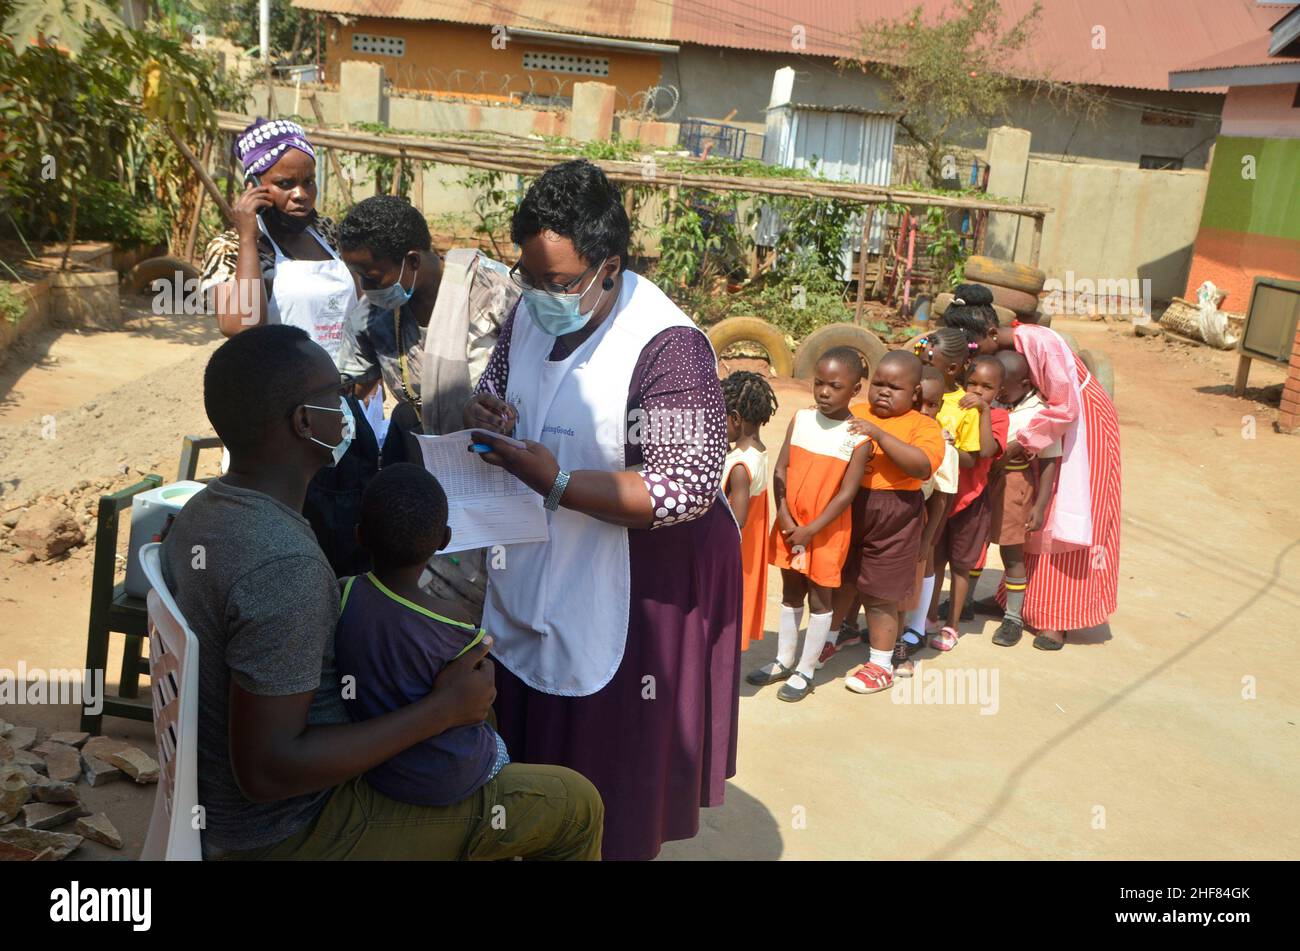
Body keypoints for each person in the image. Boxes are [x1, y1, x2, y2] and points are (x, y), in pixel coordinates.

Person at [159, 324, 603, 860]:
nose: (347, 405)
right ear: (304, 422)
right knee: (575, 806)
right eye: (334, 396)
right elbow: (269, 772)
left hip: (222, 807)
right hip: (291, 831)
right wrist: (442, 711)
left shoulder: (203, 513)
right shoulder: (283, 564)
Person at [463, 160, 742, 861]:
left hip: (635, 576)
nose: (539, 295)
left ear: (608, 267)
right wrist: (491, 408)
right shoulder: (531, 309)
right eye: (529, 276)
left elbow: (684, 486)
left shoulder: (667, 346)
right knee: (528, 714)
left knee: (609, 761)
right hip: (539, 549)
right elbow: (501, 379)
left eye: (560, 282)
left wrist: (556, 481)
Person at [337, 195, 521, 619]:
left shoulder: (498, 297)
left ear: (412, 261)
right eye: (357, 274)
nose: (364, 287)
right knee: (432, 604)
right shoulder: (373, 318)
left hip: (500, 478)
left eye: (371, 273)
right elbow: (353, 389)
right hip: (428, 476)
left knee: (501, 597)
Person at [940, 283, 1121, 650]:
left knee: (1064, 516)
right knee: (1023, 520)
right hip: (1044, 424)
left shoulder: (1041, 343)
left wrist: (1018, 444)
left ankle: (1058, 618)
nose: (971, 357)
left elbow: (1066, 407)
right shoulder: (1005, 353)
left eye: (973, 347)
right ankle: (1018, 602)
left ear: (991, 333)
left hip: (1081, 423)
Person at [748, 349, 874, 702]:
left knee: (820, 599)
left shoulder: (857, 437)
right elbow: (780, 470)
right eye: (819, 383)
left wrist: (812, 528)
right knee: (790, 593)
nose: (824, 392)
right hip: (790, 525)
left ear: (855, 389)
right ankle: (784, 659)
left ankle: (806, 668)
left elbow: (846, 494)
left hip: (826, 532)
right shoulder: (801, 420)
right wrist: (785, 515)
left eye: (835, 386)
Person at [201, 118, 362, 359]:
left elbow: (361, 306)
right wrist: (247, 239)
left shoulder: (327, 232)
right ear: (252, 186)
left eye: (308, 182)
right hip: (281, 389)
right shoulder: (228, 248)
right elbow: (241, 325)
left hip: (346, 389)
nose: (301, 194)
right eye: (285, 184)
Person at [839, 351, 946, 694]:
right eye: (878, 384)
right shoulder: (854, 413)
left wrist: (880, 436)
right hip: (849, 506)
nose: (883, 392)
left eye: (894, 387)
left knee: (881, 592)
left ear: (915, 393)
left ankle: (881, 664)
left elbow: (922, 466)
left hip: (895, 513)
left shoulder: (924, 426)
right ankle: (830, 636)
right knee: (840, 580)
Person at [929, 355, 1007, 652]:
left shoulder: (998, 417)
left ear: (998, 392)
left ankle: (952, 624)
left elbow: (986, 450)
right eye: (972, 383)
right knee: (935, 560)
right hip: (942, 496)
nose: (976, 391)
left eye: (986, 387)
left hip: (972, 501)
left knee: (961, 566)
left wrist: (984, 411)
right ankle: (928, 615)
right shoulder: (951, 405)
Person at [988, 349, 1061, 647]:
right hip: (982, 480)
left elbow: (1048, 461)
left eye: (1004, 387)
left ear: (1026, 384)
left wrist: (1040, 506)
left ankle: (1013, 618)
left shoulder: (1039, 414)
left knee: (1011, 552)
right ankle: (962, 604)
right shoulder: (992, 399)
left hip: (1014, 484)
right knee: (972, 546)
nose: (998, 392)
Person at [894, 366, 960, 676]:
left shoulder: (943, 447)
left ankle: (916, 627)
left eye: (931, 404)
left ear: (940, 406)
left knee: (922, 568)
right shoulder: (895, 432)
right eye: (918, 401)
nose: (923, 410)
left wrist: (929, 538)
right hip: (891, 517)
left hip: (920, 519)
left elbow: (942, 498)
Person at [721, 370, 779, 653]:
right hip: (749, 552)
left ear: (735, 418)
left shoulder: (739, 466)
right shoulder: (758, 451)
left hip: (733, 558)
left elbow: (737, 521)